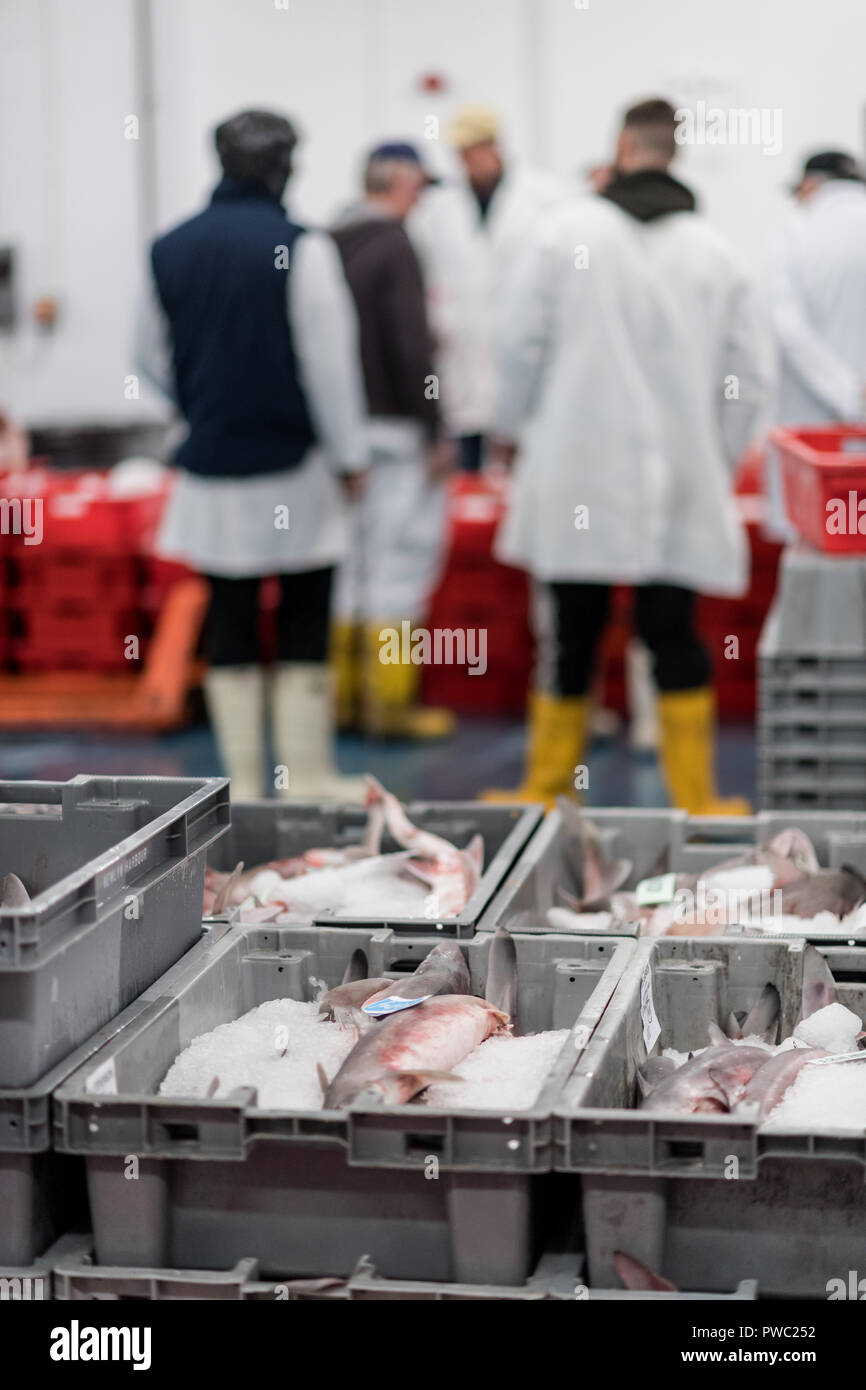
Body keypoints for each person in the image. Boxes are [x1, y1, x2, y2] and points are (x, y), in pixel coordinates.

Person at [485, 98, 772, 814]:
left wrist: (519, 431)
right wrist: (712, 456)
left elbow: (516, 348)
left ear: (619, 145)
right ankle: (698, 800)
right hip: (681, 475)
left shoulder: (564, 235)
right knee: (674, 632)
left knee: (570, 633)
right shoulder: (716, 252)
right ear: (674, 152)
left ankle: (547, 791)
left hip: (576, 463)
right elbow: (750, 379)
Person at [135, 109, 368, 801]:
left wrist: (199, 405)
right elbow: (328, 364)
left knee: (230, 612)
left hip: (210, 467)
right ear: (283, 167)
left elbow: (144, 355)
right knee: (303, 608)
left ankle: (239, 782)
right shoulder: (301, 246)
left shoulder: (170, 247)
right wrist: (351, 454)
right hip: (294, 467)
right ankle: (307, 776)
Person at [330, 143, 456, 740]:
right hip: (399, 430)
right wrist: (433, 425)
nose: (423, 199)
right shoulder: (396, 244)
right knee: (401, 563)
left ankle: (345, 703)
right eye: (420, 187)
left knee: (350, 566)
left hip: (346, 431)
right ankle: (391, 709)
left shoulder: (328, 242)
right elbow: (412, 346)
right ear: (400, 183)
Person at [410, 104, 569, 472]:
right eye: (459, 153)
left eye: (472, 151)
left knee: (523, 481)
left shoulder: (546, 199)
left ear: (494, 147)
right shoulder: (437, 208)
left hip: (524, 363)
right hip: (460, 364)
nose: (465, 161)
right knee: (469, 482)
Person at [764, 150, 866, 536]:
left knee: (816, 563)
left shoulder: (792, 233)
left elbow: (787, 327)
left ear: (810, 185)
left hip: (816, 448)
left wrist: (850, 397)